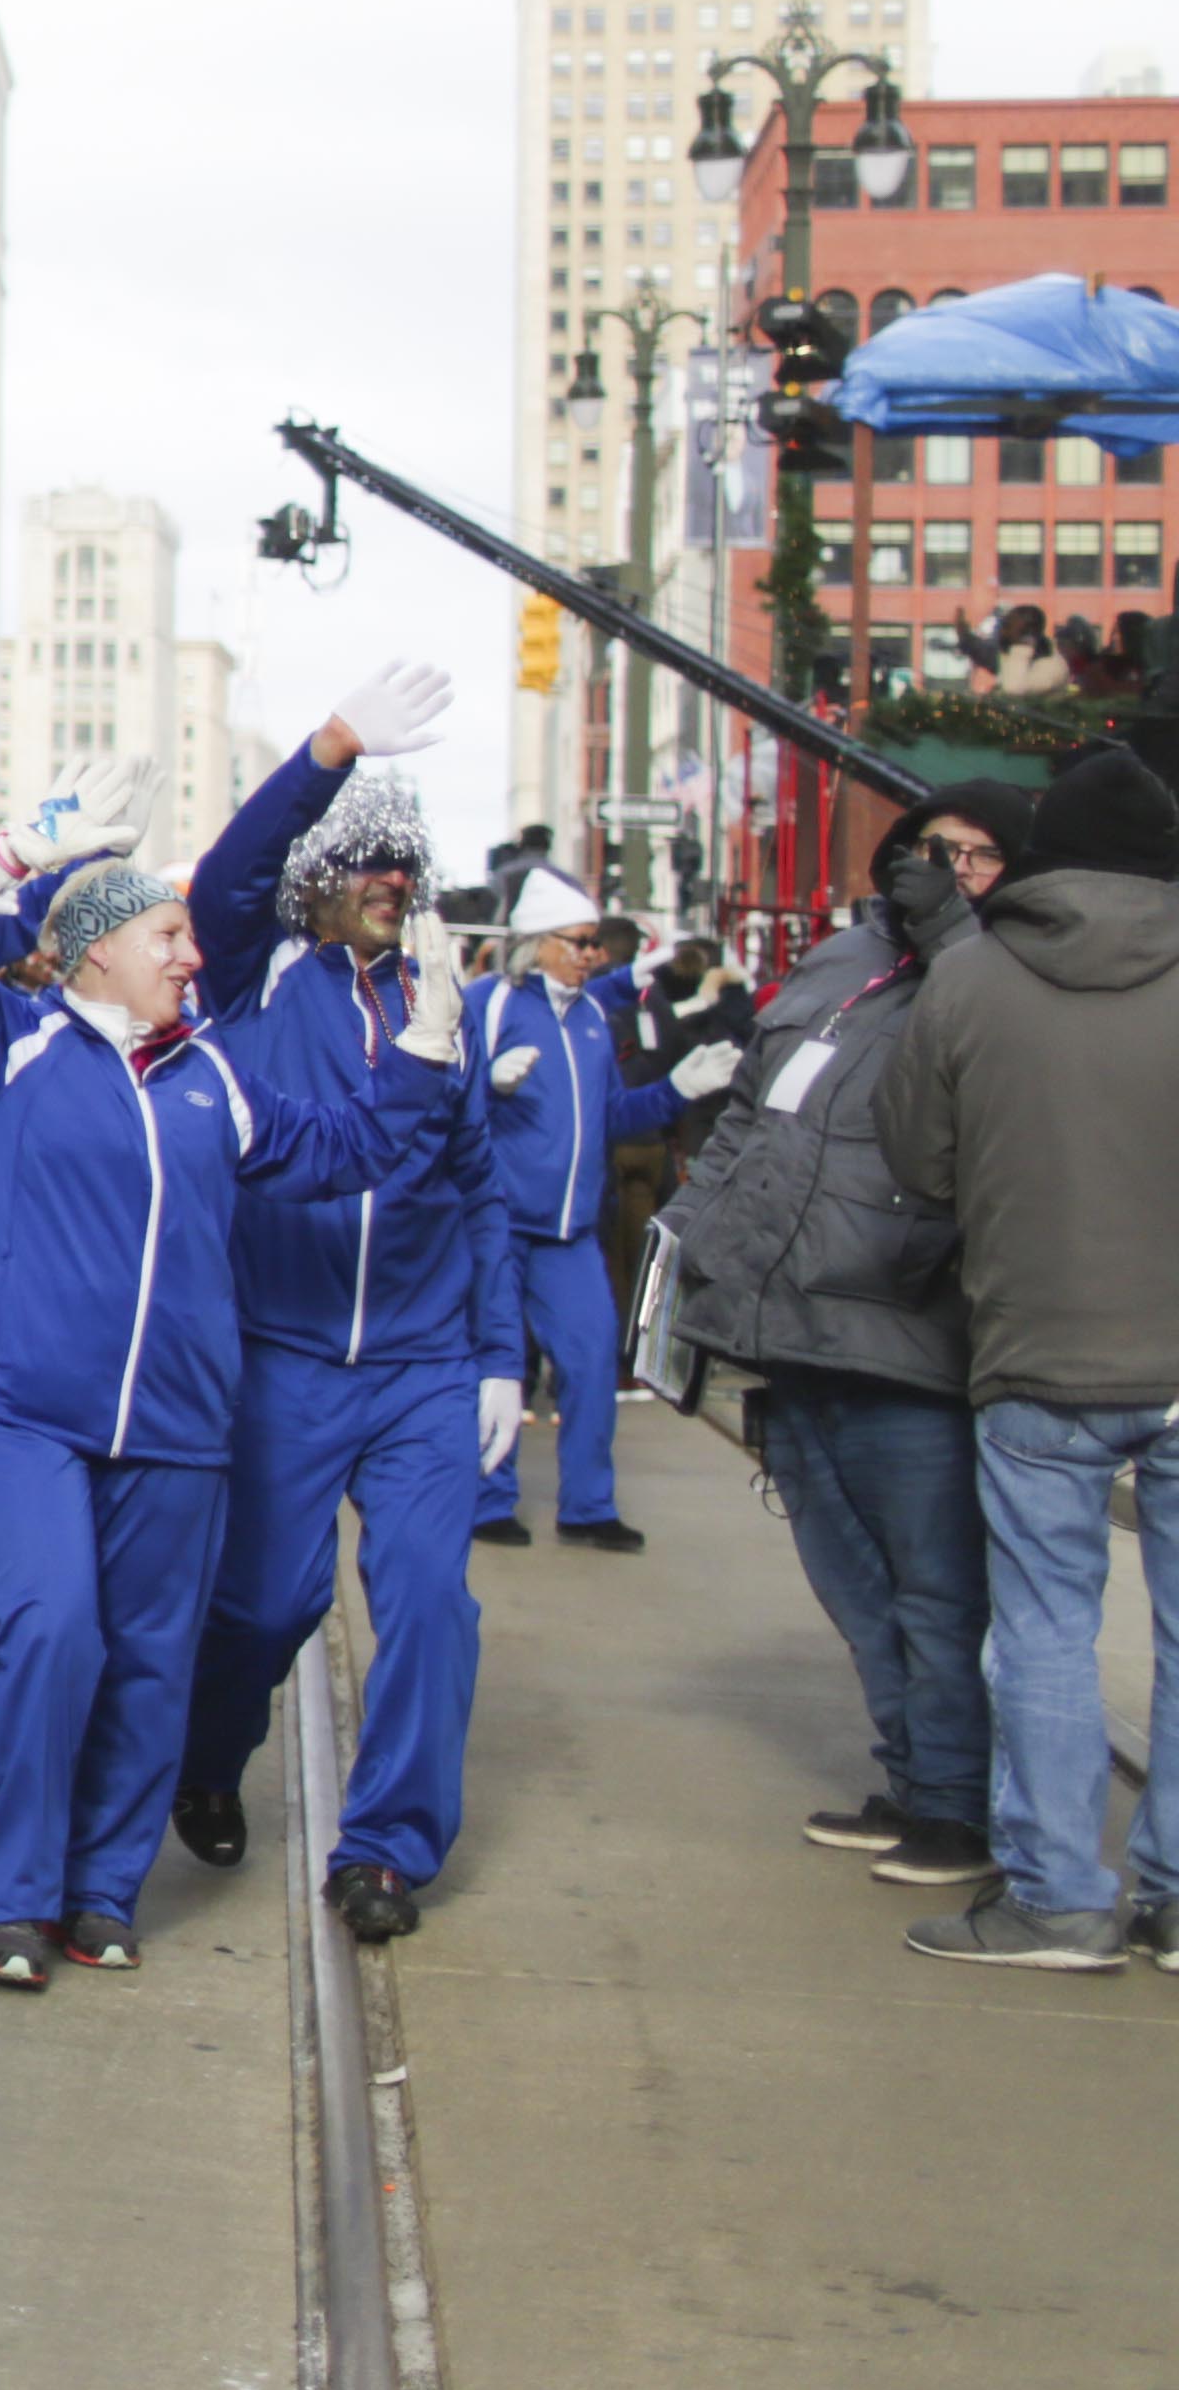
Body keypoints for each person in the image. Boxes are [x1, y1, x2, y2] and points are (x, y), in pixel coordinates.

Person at [0, 807, 470, 1986]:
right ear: (96, 949)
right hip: (25, 1410)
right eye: (166, 933)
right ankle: (14, 1896)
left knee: (153, 1659)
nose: (190, 954)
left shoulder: (216, 1077)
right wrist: (0, 865)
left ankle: (102, 1890)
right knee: (53, 1630)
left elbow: (347, 1152)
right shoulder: (2, 1039)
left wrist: (419, 1061)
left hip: (176, 1423)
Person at [170, 666, 524, 1947]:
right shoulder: (254, 978)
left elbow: (481, 1190)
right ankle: (209, 1755)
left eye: (403, 866)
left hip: (426, 1367)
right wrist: (330, 750)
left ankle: (385, 1845)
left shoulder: (447, 1011)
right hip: (287, 1354)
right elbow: (223, 877)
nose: (388, 880)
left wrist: (499, 1356)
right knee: (264, 1603)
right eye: (364, 861)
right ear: (319, 877)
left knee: (430, 1599)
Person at [658, 784, 1025, 1898]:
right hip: (791, 1319)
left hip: (907, 1329)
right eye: (929, 851)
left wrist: (955, 929)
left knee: (934, 1587)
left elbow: (994, 1074)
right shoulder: (843, 964)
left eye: (973, 855)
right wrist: (692, 1237)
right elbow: (757, 1115)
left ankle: (957, 1806)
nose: (945, 870)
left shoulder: (1004, 970)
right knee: (853, 1579)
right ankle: (913, 1778)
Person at [872, 741, 1179, 1971]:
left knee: (1045, 1627)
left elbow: (919, 1164)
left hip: (1036, 1354)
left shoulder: (972, 976)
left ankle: (1058, 1896)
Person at [462, 874, 729, 1550]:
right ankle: (488, 1499)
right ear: (537, 943)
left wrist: (674, 1090)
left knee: (590, 1358)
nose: (593, 956)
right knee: (495, 1366)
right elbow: (433, 1100)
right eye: (580, 943)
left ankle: (588, 1506)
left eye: (593, 945)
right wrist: (483, 1089)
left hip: (569, 1230)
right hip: (494, 1221)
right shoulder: (487, 1003)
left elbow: (610, 1116)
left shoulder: (589, 1019)